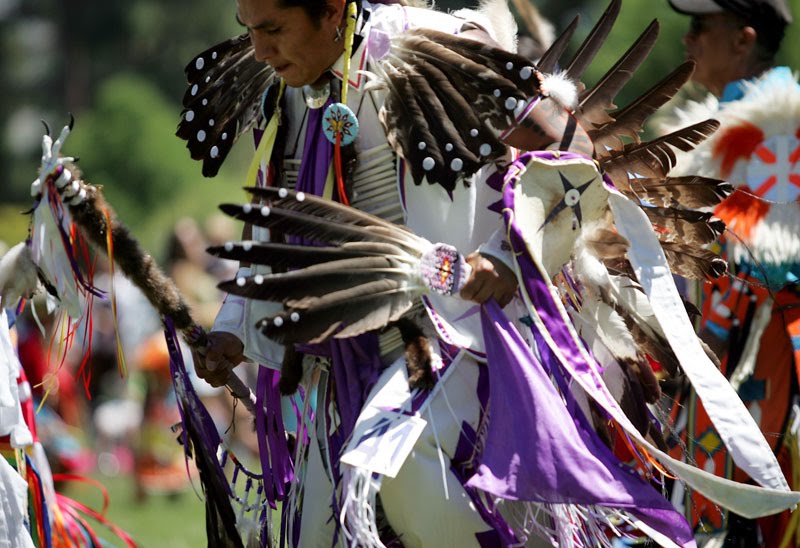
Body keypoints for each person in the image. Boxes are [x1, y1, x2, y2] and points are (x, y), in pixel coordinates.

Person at [176, 0, 800, 545]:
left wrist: (506, 259)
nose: (259, 47)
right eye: (248, 28)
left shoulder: (430, 48)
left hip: (450, 348)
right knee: (315, 527)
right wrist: (233, 324)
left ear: (333, 10)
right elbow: (273, 217)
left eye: (274, 28)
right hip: (333, 365)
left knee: (392, 477)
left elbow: (573, 159)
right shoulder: (279, 81)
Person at [664, 0, 800, 545]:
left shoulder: (779, 130)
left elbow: (774, 263)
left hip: (762, 372)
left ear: (743, 40)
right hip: (715, 372)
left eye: (700, 27)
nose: (687, 40)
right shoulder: (723, 130)